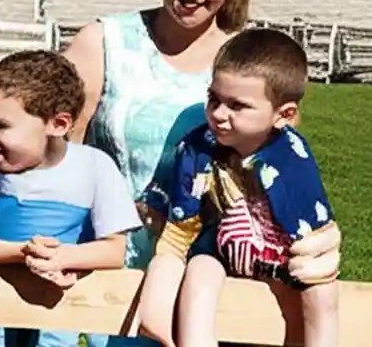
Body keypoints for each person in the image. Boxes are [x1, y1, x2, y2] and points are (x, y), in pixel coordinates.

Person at [61, 0, 343, 346]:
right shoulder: (105, 43)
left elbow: (277, 164)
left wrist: (317, 235)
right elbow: (56, 155)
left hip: (222, 278)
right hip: (121, 273)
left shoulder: (245, 63)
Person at [137, 28, 339, 347]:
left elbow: (310, 235)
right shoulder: (197, 147)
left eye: (237, 106)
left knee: (321, 288)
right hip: (223, 250)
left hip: (284, 257)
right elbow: (181, 226)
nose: (218, 115)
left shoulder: (290, 158)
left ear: (283, 115)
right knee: (200, 270)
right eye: (213, 99)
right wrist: (162, 284)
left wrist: (307, 265)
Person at [0, 49, 142, 347]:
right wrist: (26, 253)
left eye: (1, 125)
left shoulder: (95, 167)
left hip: (59, 311)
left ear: (58, 124)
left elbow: (114, 251)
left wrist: (63, 257)